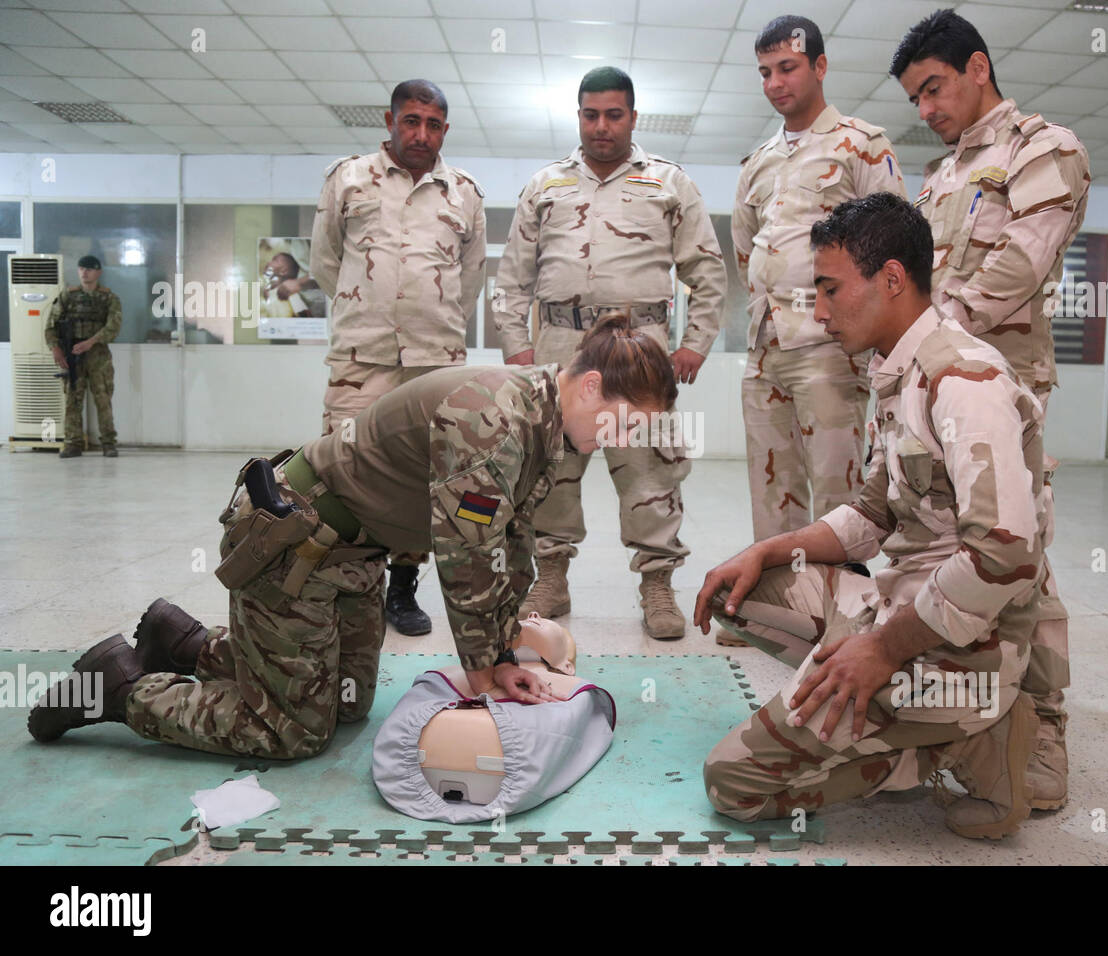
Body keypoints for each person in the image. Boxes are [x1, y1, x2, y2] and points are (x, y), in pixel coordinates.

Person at [29, 315, 679, 761]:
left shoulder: (545, 429)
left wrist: (507, 647)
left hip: (351, 555)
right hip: (290, 545)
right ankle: (120, 687)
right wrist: (489, 671)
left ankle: (185, 641)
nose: (625, 440)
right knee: (290, 732)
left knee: (347, 706)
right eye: (627, 423)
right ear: (592, 386)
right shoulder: (496, 418)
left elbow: (508, 549)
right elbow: (465, 557)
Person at [695, 194, 1049, 840]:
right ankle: (880, 697)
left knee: (733, 785)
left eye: (830, 290)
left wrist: (881, 650)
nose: (820, 312)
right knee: (735, 593)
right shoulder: (899, 373)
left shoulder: (962, 381)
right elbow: (871, 515)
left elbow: (1005, 552)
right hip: (902, 612)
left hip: (961, 652)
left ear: (890, 280)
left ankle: (952, 747)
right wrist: (767, 552)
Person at [891, 8, 1092, 811]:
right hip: (934, 394)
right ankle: (976, 709)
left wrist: (932, 339)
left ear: (978, 67)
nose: (926, 109)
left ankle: (1044, 728)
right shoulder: (939, 177)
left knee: (1022, 553)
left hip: (1004, 390)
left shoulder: (1045, 148)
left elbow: (1022, 263)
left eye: (933, 88)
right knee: (944, 545)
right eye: (914, 98)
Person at [491, 66, 726, 640]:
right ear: (578, 116)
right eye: (591, 114)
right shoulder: (545, 185)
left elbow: (707, 269)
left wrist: (694, 342)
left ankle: (656, 585)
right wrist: (518, 347)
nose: (602, 126)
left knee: (650, 470)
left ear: (633, 118)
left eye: (614, 114)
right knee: (549, 467)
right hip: (559, 350)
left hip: (640, 351)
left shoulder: (668, 182)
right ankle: (551, 576)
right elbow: (512, 278)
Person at [310, 78, 487, 638]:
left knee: (422, 473)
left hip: (434, 362)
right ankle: (346, 583)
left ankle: (402, 588)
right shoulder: (349, 179)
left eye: (433, 124)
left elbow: (471, 280)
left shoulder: (464, 193)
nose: (421, 134)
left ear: (445, 130)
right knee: (340, 466)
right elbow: (325, 263)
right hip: (362, 357)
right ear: (390, 121)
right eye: (411, 121)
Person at [733, 15, 908, 557]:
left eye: (787, 67)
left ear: (820, 66)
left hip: (831, 347)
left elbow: (895, 248)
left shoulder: (862, 145)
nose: (775, 83)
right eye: (765, 72)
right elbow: (746, 250)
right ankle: (778, 612)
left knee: (837, 490)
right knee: (771, 489)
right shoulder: (759, 162)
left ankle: (838, 613)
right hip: (766, 349)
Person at [45, 254, 122, 458]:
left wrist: (90, 342)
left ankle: (108, 443)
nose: (84, 272)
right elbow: (50, 326)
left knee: (103, 399)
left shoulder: (108, 298)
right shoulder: (67, 296)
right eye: (81, 268)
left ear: (98, 272)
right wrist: (56, 349)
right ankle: (73, 443)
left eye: (89, 269)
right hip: (72, 353)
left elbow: (113, 327)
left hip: (98, 355)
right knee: (73, 399)